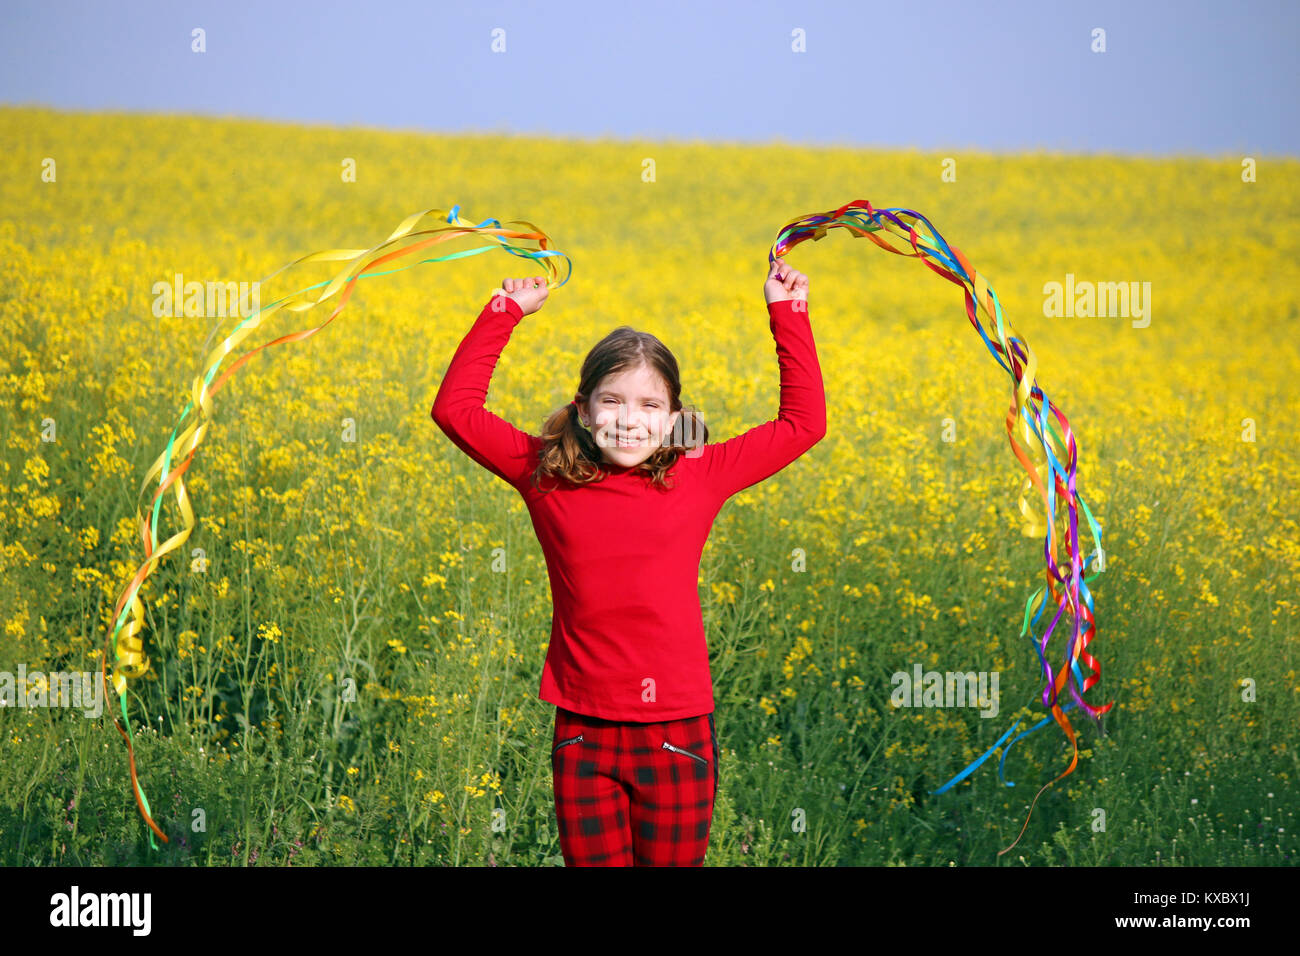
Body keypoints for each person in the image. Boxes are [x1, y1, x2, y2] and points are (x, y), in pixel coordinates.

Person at [430, 257, 826, 865]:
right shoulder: (546, 474)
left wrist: (786, 310)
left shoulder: (700, 473)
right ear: (584, 410)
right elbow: (455, 410)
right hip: (583, 732)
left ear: (673, 418)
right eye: (611, 401)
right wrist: (504, 311)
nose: (629, 420)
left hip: (676, 732)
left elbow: (803, 424)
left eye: (648, 406)